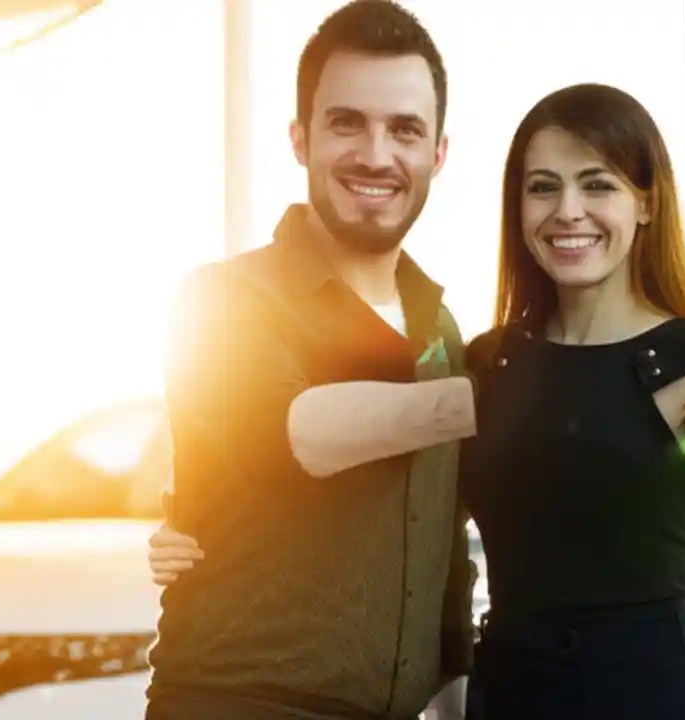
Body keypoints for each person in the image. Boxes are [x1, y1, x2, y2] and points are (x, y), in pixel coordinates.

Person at [151, 75, 685, 720]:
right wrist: (198, 527)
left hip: (647, 694)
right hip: (508, 690)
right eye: (543, 188)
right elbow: (400, 514)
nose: (568, 212)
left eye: (597, 185)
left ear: (647, 203)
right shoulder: (483, 365)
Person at [143, 1, 478, 718]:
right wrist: (501, 396)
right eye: (347, 122)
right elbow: (293, 437)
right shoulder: (221, 299)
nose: (377, 155)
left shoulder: (441, 330)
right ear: (300, 139)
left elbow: (443, 558)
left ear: (438, 154)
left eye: (405, 130)